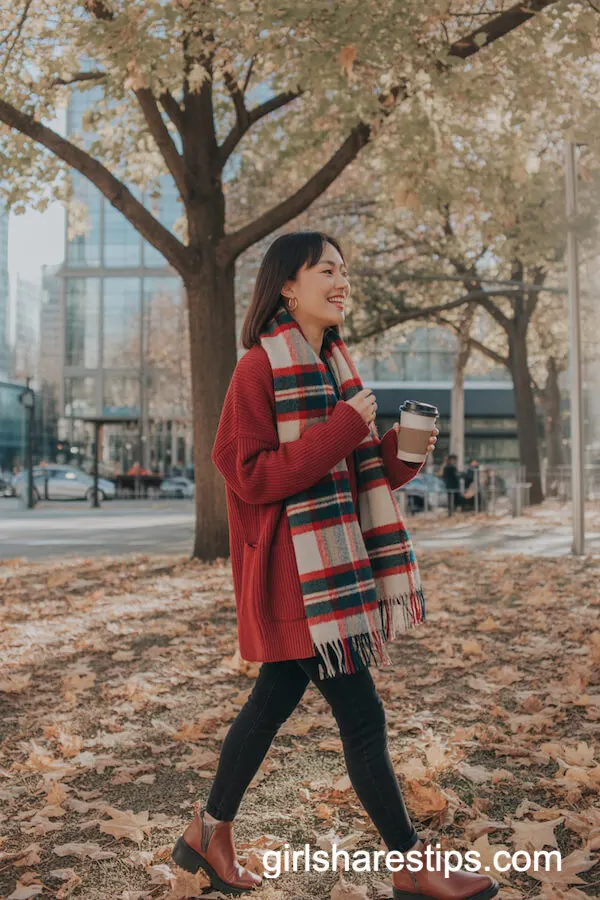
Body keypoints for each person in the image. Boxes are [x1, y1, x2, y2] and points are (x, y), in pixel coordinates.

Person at [171, 232, 498, 900]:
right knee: (361, 714)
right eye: (327, 269)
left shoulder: (334, 367)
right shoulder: (257, 370)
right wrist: (346, 429)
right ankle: (409, 866)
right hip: (296, 577)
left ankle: (208, 833)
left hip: (329, 571)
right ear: (286, 286)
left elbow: (352, 474)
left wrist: (403, 451)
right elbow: (250, 475)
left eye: (345, 269)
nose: (341, 280)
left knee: (274, 703)